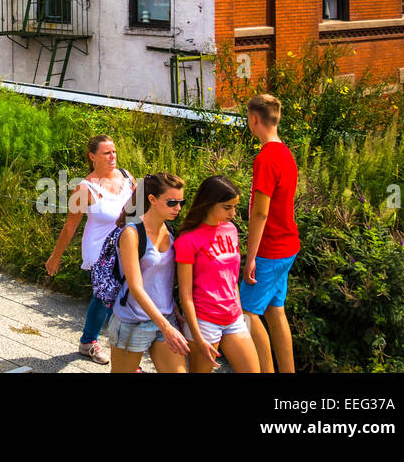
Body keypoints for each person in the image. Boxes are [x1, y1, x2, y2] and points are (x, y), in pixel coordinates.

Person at [46, 134, 135, 365]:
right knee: (104, 297)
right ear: (93, 157)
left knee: (124, 297)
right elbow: (70, 226)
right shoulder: (84, 188)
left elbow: (140, 214)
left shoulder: (127, 178)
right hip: (99, 252)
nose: (112, 156)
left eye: (114, 151)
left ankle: (126, 348)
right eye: (107, 152)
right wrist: (55, 258)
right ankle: (89, 342)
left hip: (125, 249)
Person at [175, 175, 261, 374]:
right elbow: (185, 294)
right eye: (227, 207)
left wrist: (238, 312)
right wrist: (197, 337)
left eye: (235, 207)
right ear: (209, 203)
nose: (233, 213)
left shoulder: (231, 230)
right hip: (204, 322)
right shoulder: (187, 240)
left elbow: (231, 279)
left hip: (233, 318)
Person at [240, 93, 299, 374]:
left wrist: (250, 257)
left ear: (254, 119)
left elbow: (260, 213)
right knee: (276, 311)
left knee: (246, 313)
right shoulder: (285, 152)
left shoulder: (265, 158)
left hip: (270, 249)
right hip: (288, 246)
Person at [109, 172, 190, 373]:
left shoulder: (170, 231)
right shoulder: (131, 233)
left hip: (166, 317)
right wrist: (166, 328)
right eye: (172, 202)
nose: (178, 208)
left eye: (181, 202)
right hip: (134, 321)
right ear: (152, 199)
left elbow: (163, 278)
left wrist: (173, 310)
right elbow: (136, 287)